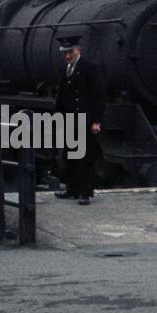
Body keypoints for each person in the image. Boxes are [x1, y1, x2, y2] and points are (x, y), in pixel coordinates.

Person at [53, 36, 106, 204]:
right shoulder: (65, 69)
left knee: (85, 157)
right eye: (65, 52)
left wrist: (97, 121)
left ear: (79, 50)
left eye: (70, 51)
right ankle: (72, 189)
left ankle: (85, 193)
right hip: (70, 119)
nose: (67, 55)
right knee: (70, 156)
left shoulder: (90, 68)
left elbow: (99, 96)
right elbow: (61, 96)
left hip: (85, 119)